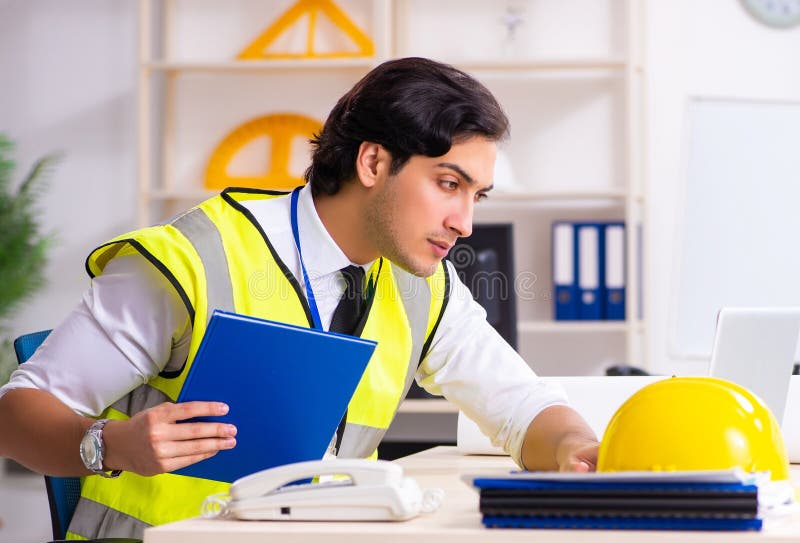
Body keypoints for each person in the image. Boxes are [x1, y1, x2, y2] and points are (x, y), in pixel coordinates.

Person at [0, 57, 598, 539]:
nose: (464, 221)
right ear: (373, 161)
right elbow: (16, 413)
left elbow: (521, 405)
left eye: (477, 195)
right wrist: (114, 445)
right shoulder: (192, 259)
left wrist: (577, 449)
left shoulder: (424, 285)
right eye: (448, 184)